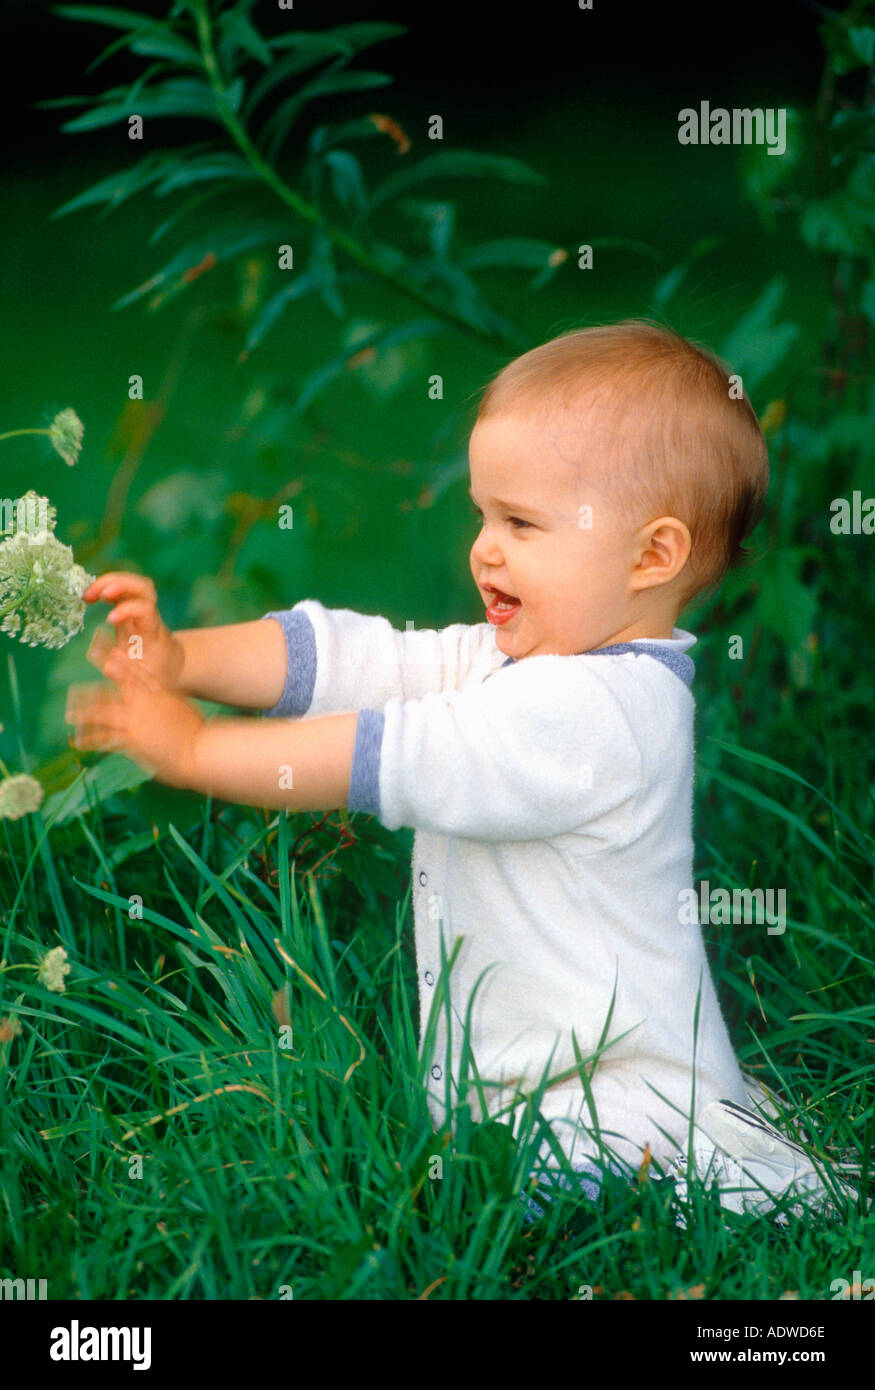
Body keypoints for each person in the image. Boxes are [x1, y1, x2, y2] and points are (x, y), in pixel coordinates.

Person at [68, 319, 858, 1223]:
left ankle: (663, 1191)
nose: (484, 546)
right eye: (484, 513)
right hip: (536, 1088)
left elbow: (390, 755)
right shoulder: (527, 661)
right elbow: (362, 661)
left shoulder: (605, 715)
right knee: (498, 1167)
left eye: (521, 522)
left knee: (528, 1191)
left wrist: (196, 750)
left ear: (652, 555)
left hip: (619, 1089)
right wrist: (185, 662)